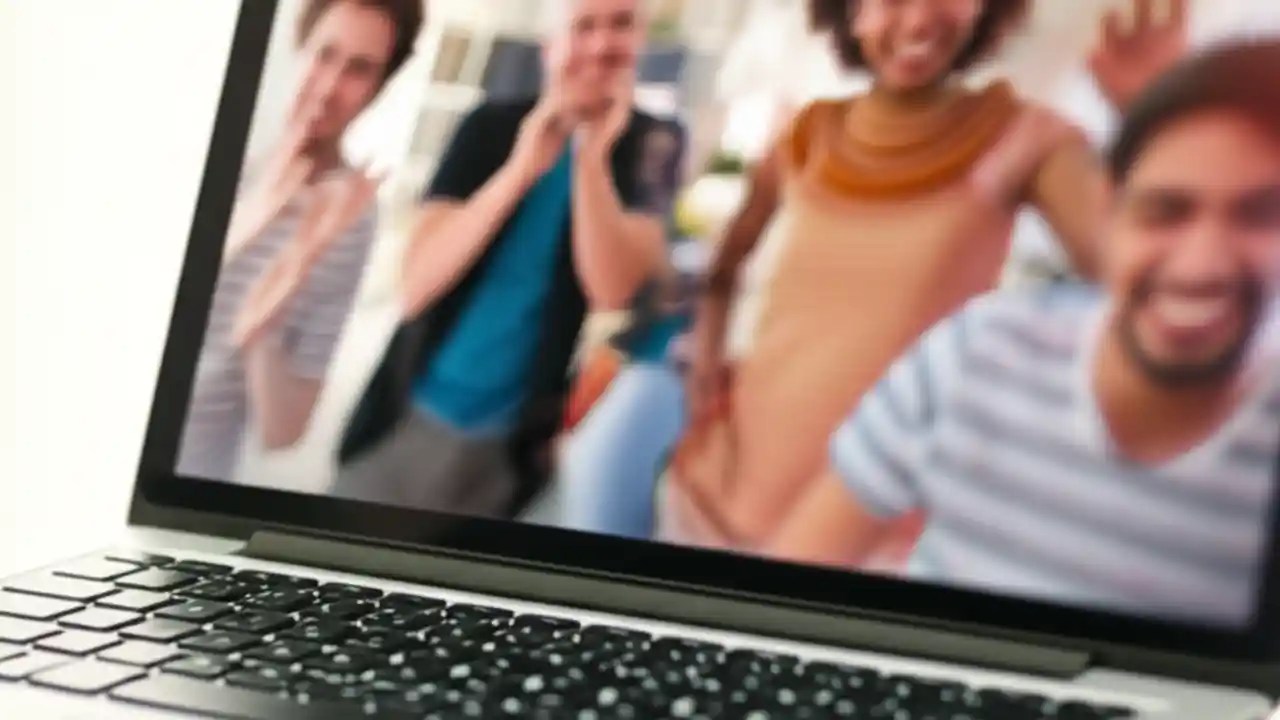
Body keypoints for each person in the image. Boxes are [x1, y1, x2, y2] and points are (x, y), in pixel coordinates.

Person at [765, 40, 1280, 628]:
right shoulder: (981, 348)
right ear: (1110, 208)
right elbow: (788, 588)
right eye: (1165, 210)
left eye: (1260, 215)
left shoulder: (1025, 135)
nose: (1202, 263)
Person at [661, 0, 1190, 552]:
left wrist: (1155, 118)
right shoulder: (810, 132)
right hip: (707, 510)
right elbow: (722, 269)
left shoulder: (1025, 139)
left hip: (876, 547)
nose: (917, 21)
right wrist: (705, 359)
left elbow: (1146, 286)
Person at [333, 0, 679, 519]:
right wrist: (522, 168)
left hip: (508, 449)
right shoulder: (490, 126)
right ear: (550, 48)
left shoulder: (653, 143)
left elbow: (612, 291)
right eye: (584, 26)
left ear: (641, 40)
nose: (603, 43)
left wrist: (592, 156)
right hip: (403, 420)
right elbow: (416, 285)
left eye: (622, 23)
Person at [176, 0, 423, 482]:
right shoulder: (209, 141)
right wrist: (250, 223)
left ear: (379, 87)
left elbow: (283, 430)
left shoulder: (348, 219)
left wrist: (272, 306)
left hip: (191, 471)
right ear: (299, 44)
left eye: (359, 69)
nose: (329, 87)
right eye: (324, 53)